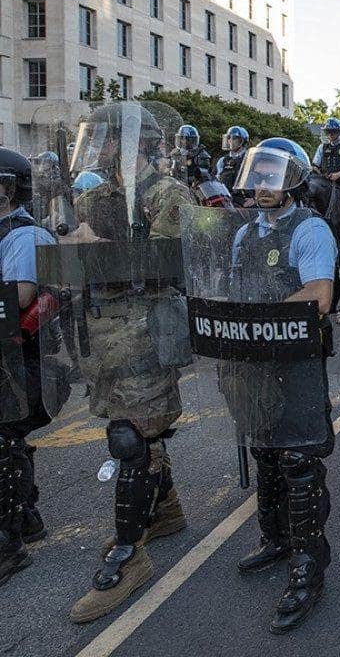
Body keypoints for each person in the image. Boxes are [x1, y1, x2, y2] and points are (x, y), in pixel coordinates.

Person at [62, 103, 195, 624]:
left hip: (145, 335)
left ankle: (129, 554)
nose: (100, 148)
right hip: (102, 337)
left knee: (129, 438)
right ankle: (165, 511)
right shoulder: (96, 195)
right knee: (134, 432)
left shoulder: (166, 195)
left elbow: (167, 262)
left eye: (108, 138)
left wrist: (97, 247)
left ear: (134, 142)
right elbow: (65, 246)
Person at [226, 137, 338, 633]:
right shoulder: (244, 232)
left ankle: (308, 565)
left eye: (272, 175)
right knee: (266, 452)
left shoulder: (309, 228)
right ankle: (275, 539)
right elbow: (232, 290)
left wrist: (260, 319)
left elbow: (318, 296)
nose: (262, 184)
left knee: (298, 460)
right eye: (258, 174)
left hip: (296, 361)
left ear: (292, 179)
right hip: (254, 362)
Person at [0, 149, 58, 586]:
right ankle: (27, 514)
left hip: (22, 361)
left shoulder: (24, 235)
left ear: (8, 187)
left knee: (4, 440)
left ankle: (8, 544)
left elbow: (20, 295)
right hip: (7, 358)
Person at [312, 118, 340, 190]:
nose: (330, 134)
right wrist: (322, 175)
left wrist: (339, 174)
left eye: (333, 131)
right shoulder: (322, 147)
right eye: (328, 131)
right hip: (324, 182)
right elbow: (315, 165)